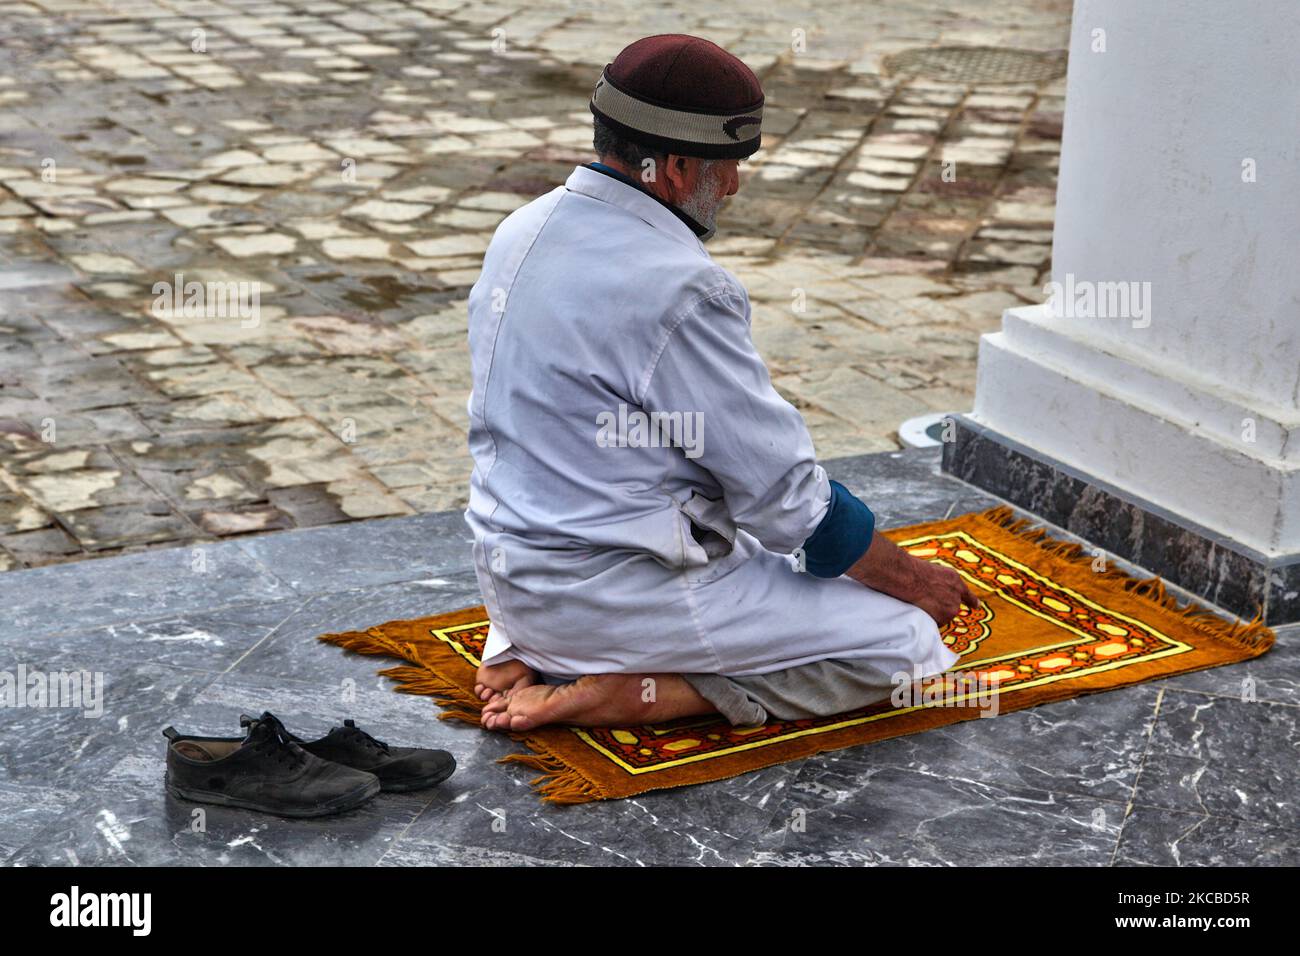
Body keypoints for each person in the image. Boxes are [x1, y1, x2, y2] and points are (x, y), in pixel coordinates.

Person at [463, 34, 979, 732]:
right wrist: (914, 584)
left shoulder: (520, 228)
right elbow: (785, 501)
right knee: (908, 647)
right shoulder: (681, 287)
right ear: (674, 167)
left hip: (512, 583)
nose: (733, 186)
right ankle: (643, 691)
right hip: (619, 604)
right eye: (729, 167)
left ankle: (543, 650)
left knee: (750, 547)